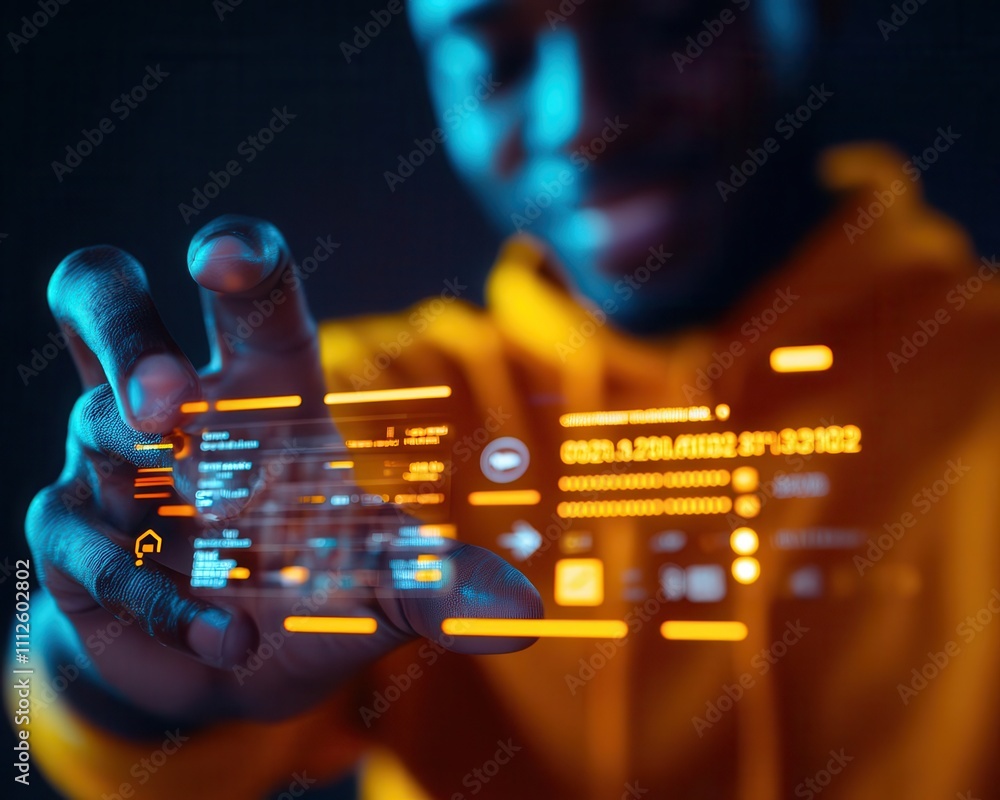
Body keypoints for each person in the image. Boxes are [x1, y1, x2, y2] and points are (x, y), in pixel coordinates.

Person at [18, 1, 1000, 798]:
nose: (586, 116)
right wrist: (127, 660)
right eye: (494, 56)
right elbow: (112, 763)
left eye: (669, 18)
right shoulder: (351, 423)